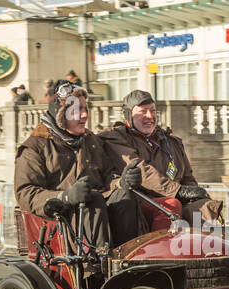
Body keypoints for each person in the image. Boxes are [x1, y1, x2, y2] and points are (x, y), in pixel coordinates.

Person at [14, 81, 138, 256]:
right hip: (63, 221)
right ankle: (96, 262)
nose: (85, 115)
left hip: (98, 213)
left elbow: (109, 174)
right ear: (60, 114)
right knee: (92, 199)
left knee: (125, 195)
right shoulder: (35, 147)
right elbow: (25, 193)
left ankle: (128, 255)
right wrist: (65, 196)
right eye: (77, 110)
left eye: (85, 108)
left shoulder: (91, 140)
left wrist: (120, 182)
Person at [99, 88, 222, 228]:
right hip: (139, 203)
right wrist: (178, 191)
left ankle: (205, 247)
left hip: (172, 199)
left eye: (152, 110)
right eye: (142, 111)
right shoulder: (116, 138)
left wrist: (196, 196)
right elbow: (140, 169)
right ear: (128, 115)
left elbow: (187, 177)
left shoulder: (171, 142)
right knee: (171, 205)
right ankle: (160, 249)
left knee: (205, 208)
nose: (149, 116)